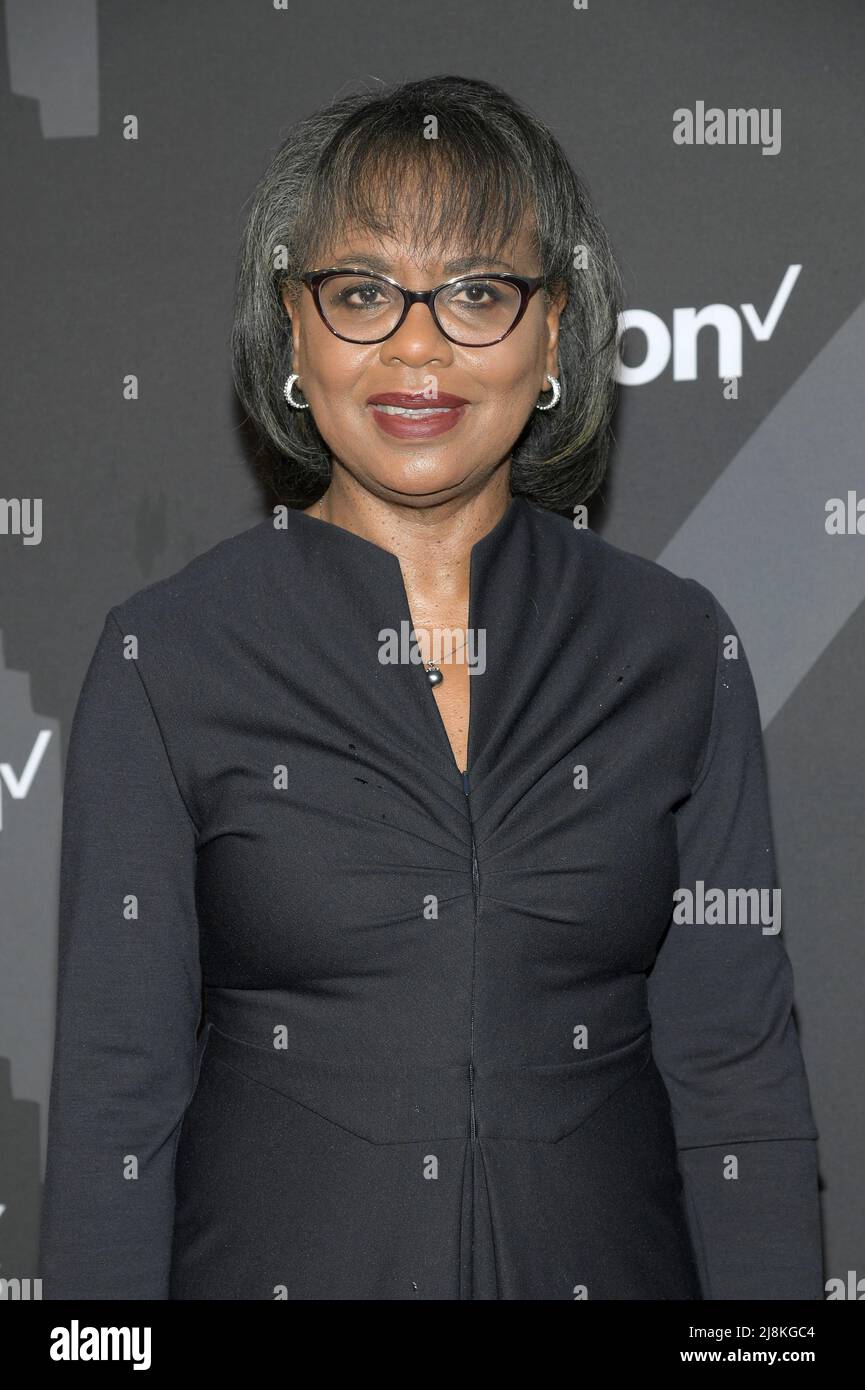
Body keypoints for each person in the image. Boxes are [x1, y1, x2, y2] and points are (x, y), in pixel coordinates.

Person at [38, 74, 822, 1300]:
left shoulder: (676, 648)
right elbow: (112, 1116)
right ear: (291, 330)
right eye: (360, 292)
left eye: (475, 292)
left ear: (553, 328)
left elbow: (738, 1082)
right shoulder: (168, 656)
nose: (417, 345)